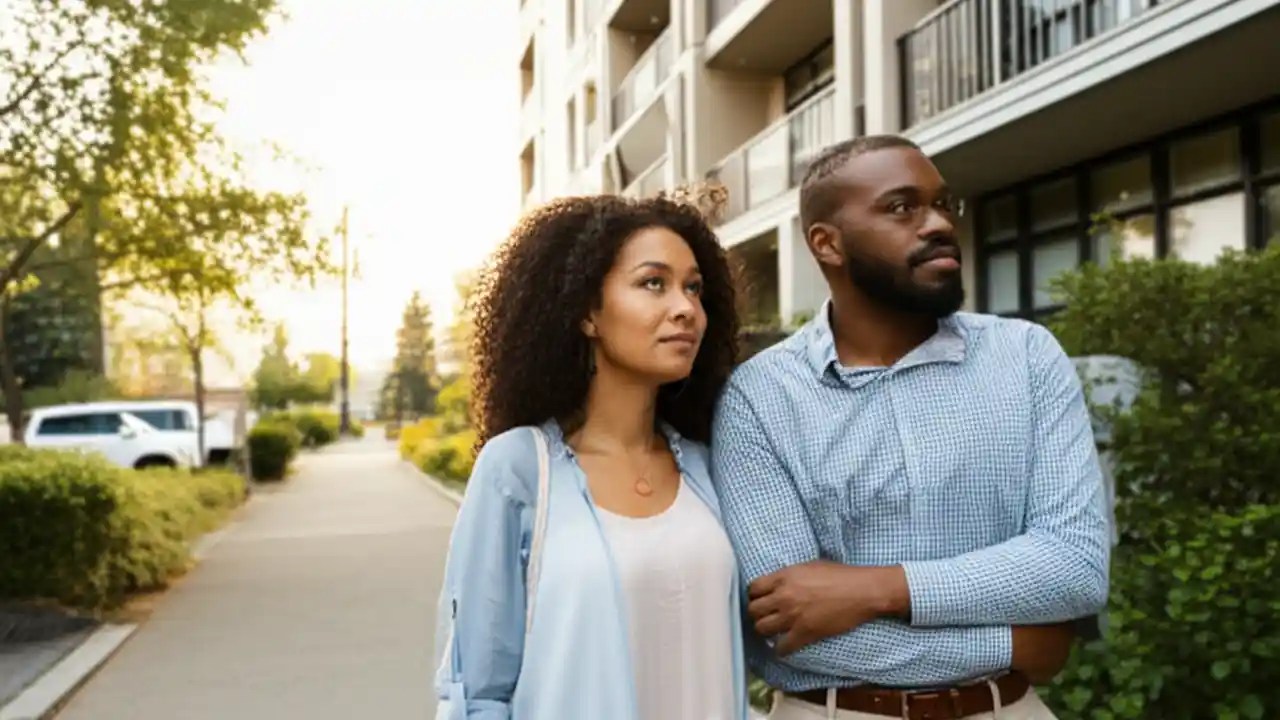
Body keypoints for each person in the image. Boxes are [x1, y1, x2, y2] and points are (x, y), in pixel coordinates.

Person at [710, 135, 1111, 720]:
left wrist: (875, 589)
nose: (938, 224)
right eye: (902, 208)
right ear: (828, 244)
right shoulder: (760, 396)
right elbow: (790, 627)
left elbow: (1073, 567)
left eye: (944, 205)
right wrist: (1018, 644)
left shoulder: (1026, 357)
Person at [433, 192, 749, 720]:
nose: (686, 308)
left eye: (694, 288)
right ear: (587, 313)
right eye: (654, 283)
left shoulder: (708, 465)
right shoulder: (518, 470)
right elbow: (478, 690)